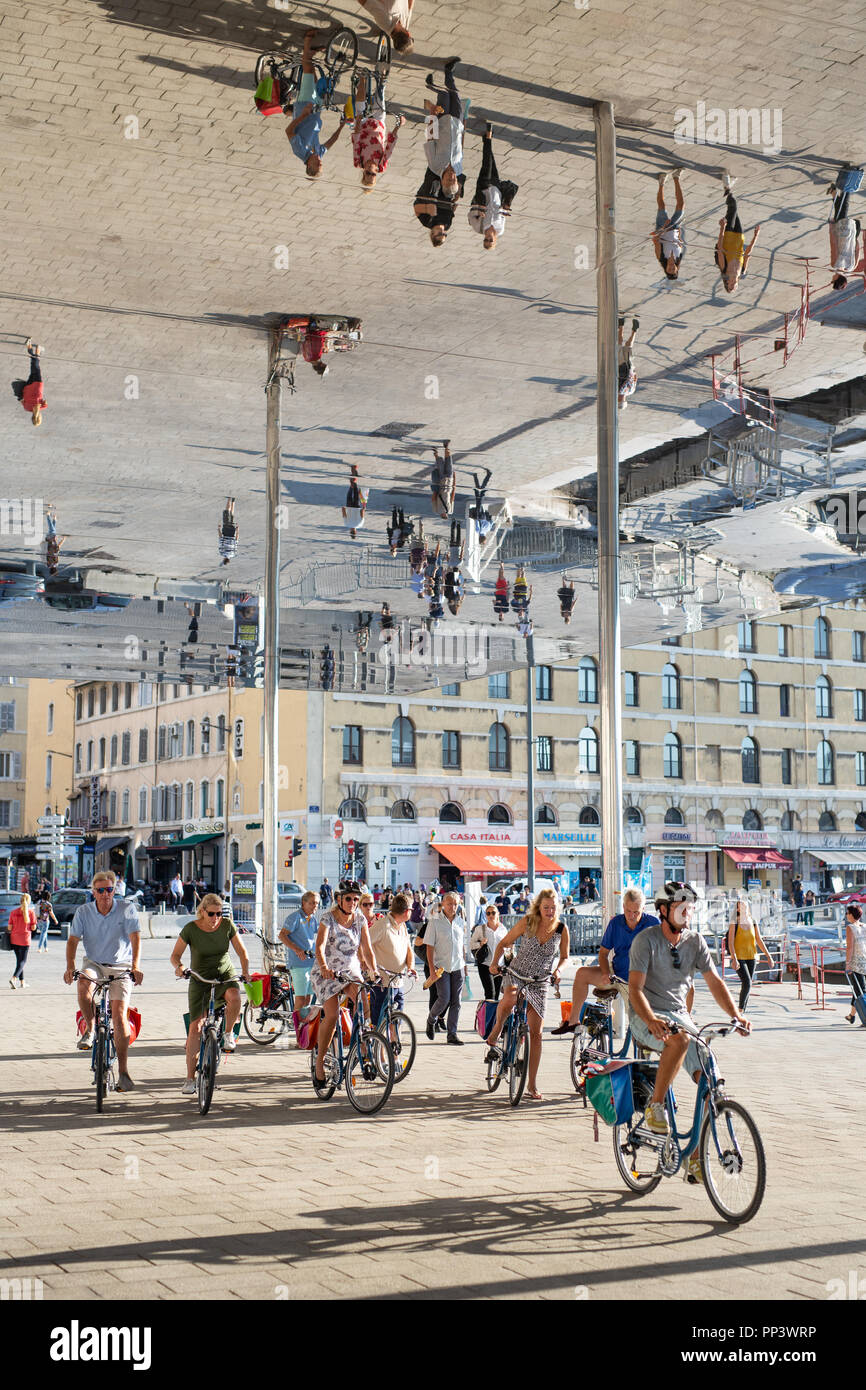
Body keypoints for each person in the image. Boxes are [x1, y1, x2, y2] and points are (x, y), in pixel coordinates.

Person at [628, 882, 750, 1180]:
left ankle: (694, 1157)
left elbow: (715, 982)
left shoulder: (695, 942)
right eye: (681, 906)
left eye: (690, 906)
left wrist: (736, 1014)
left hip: (680, 1017)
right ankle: (655, 1106)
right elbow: (634, 990)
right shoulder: (646, 941)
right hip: (647, 1016)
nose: (687, 911)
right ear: (663, 910)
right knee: (679, 1040)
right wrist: (652, 1021)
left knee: (712, 1080)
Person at [485, 889, 569, 1101]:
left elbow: (565, 957)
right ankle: (496, 1031)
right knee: (511, 998)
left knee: (537, 1034)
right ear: (539, 907)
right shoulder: (529, 922)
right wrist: (495, 963)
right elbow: (504, 943)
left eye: (553, 907)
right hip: (517, 973)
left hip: (540, 981)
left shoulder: (561, 929)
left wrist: (558, 971)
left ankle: (531, 1084)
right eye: (546, 907)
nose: (550, 911)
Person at [64, 871, 143, 1092]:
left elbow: (135, 938)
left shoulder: (126, 909)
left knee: (119, 1016)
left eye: (110, 889)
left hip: (121, 965)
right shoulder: (84, 912)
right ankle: (90, 1029)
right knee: (83, 983)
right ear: (93, 892)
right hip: (94, 962)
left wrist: (136, 967)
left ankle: (124, 1072)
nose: (106, 894)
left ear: (115, 890)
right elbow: (72, 941)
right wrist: (70, 967)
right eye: (101, 890)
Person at [170, 893, 250, 1095]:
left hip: (224, 974)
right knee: (195, 1028)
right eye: (211, 914)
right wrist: (179, 967)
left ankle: (228, 1033)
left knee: (235, 997)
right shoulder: (191, 929)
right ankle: (189, 1079)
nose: (215, 918)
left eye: (219, 913)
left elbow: (241, 952)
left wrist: (246, 972)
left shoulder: (226, 925)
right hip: (199, 977)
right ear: (202, 912)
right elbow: (175, 955)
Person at [551, 886, 657, 1034]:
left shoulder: (653, 924)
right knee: (582, 973)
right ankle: (573, 1021)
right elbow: (603, 954)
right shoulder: (616, 923)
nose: (632, 916)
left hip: (638, 981)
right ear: (624, 906)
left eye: (636, 912)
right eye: (628, 911)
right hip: (616, 975)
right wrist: (605, 972)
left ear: (643, 908)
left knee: (639, 1023)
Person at [311, 880, 378, 1089]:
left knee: (364, 1006)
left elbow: (366, 949)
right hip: (327, 973)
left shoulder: (359, 919)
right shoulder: (328, 918)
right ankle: (320, 1063)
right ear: (339, 899)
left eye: (356, 899)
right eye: (348, 898)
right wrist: (323, 966)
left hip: (350, 970)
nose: (353, 902)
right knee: (331, 1015)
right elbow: (319, 946)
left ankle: (364, 1049)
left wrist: (373, 970)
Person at [285, 30, 349, 178]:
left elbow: (289, 131)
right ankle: (310, 53)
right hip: (316, 109)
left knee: (308, 71)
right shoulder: (318, 153)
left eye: (317, 165)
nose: (320, 162)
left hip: (305, 107)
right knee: (314, 79)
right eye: (321, 165)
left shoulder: (300, 151)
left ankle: (307, 39)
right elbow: (332, 141)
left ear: (309, 165)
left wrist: (303, 115)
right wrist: (342, 125)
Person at [367, 892, 415, 1028]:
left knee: (396, 1020)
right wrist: (370, 967)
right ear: (406, 911)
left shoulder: (403, 926)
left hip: (398, 981)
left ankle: (393, 1046)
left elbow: (408, 950)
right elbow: (364, 945)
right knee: (379, 1023)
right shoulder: (382, 925)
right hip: (382, 983)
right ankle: (379, 1047)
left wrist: (410, 968)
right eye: (411, 909)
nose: (412, 911)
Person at [424, 890, 467, 1043]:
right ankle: (431, 1019)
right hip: (441, 967)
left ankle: (452, 1034)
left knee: (457, 1002)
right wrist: (431, 969)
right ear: (442, 904)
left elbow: (462, 944)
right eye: (449, 904)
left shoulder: (461, 921)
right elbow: (429, 946)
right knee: (444, 998)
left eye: (455, 904)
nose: (452, 907)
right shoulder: (435, 921)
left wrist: (465, 965)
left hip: (458, 966)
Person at [352, 69, 405, 191]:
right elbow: (389, 147)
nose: (371, 171)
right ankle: (381, 81)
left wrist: (359, 120)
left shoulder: (358, 162)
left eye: (368, 174)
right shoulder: (381, 165)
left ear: (363, 172)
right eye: (373, 174)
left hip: (364, 125)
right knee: (380, 96)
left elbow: (356, 140)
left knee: (359, 108)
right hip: (378, 125)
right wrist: (398, 125)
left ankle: (362, 78)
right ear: (376, 173)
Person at [468, 124, 518, 250]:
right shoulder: (500, 229)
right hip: (497, 190)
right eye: (490, 240)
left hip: (483, 189)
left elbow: (470, 215)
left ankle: (489, 137)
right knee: (491, 163)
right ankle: (486, 139)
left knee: (487, 164)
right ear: (495, 240)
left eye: (486, 240)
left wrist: (478, 211)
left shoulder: (478, 227)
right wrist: (505, 209)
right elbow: (502, 215)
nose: (488, 237)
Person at [714, 172, 760, 293]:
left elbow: (719, 248)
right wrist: (756, 236)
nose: (733, 284)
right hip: (739, 236)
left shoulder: (724, 269)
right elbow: (748, 252)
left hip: (728, 234)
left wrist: (722, 228)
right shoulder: (743, 270)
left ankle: (727, 186)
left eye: (730, 286)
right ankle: (729, 187)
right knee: (733, 210)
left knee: (733, 208)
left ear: (727, 282)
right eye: (735, 286)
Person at [726, 895, 773, 1012]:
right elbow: (730, 942)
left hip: (752, 956)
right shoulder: (734, 922)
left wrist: (768, 956)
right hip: (739, 957)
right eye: (741, 905)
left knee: (748, 984)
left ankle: (742, 1011)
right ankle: (740, 1010)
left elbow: (759, 939)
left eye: (745, 905)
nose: (743, 907)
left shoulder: (753, 921)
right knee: (747, 982)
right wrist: (734, 958)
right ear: (737, 909)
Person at [278, 889, 320, 1015]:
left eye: (317, 903)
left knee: (308, 998)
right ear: (303, 903)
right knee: (300, 998)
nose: (315, 906)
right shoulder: (295, 917)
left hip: (310, 963)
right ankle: (298, 1028)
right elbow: (282, 935)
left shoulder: (312, 919)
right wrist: (297, 949)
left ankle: (304, 1027)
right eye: (312, 903)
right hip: (298, 963)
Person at [827, 172, 863, 289]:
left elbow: (857, 248)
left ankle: (834, 192)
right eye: (833, 281)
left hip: (851, 234)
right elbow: (833, 245)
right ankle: (848, 181)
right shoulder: (835, 264)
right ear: (837, 279)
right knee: (843, 208)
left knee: (841, 211)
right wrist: (831, 228)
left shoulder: (852, 266)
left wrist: (853, 239)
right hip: (840, 233)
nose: (831, 279)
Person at [651, 168, 686, 279]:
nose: (671, 268)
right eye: (673, 270)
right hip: (675, 227)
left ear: (666, 269)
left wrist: (664, 227)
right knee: (681, 205)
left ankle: (661, 183)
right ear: (677, 268)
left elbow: (655, 240)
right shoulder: (678, 257)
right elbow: (679, 240)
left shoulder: (661, 257)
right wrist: (679, 232)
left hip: (663, 228)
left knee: (662, 206)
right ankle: (676, 177)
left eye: (669, 270)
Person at [471, 903, 506, 1000]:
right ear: (486, 915)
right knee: (490, 993)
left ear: (498, 914)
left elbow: (507, 945)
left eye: (493, 913)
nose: (491, 915)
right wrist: (480, 944)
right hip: (485, 965)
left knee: (497, 995)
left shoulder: (503, 929)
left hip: (499, 966)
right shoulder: (480, 929)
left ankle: (494, 1015)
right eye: (488, 913)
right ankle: (487, 1015)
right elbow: (471, 944)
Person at [13, 339, 47, 426]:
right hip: (27, 386)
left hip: (37, 385)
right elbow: (21, 399)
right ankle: (37, 350)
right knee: (33, 368)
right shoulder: (26, 408)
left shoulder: (42, 407)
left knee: (35, 367)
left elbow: (44, 401)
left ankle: (31, 349)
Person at [8, 893, 36, 988]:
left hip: (14, 939)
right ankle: (14, 978)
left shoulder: (13, 912)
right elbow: (33, 927)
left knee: (19, 961)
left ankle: (22, 982)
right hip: (25, 939)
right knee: (23, 961)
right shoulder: (31, 912)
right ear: (28, 901)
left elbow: (9, 927)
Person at [844, 905, 866, 1025]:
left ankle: (864, 1017)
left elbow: (850, 948)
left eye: (847, 913)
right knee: (859, 990)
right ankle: (851, 1015)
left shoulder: (850, 928)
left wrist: (848, 964)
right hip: (865, 960)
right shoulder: (864, 926)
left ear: (852, 915)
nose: (846, 915)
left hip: (856, 963)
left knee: (860, 991)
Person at [617, 317, 639, 410]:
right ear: (619, 400)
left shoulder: (631, 391)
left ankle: (634, 331)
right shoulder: (617, 390)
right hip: (619, 365)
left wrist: (633, 370)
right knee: (619, 344)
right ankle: (621, 324)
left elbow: (635, 378)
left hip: (629, 367)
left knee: (628, 345)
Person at [343, 464, 369, 538]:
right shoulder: (347, 524)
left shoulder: (359, 525)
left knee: (356, 492)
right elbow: (344, 515)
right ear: (350, 532)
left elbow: (362, 513)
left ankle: (353, 479)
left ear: (355, 532)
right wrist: (343, 509)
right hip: (349, 507)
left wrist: (363, 508)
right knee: (349, 494)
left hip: (357, 507)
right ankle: (352, 481)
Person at [431, 440, 456, 518]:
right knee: (444, 463)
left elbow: (452, 496)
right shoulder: (442, 511)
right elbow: (433, 498)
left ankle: (438, 452)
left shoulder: (438, 511)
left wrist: (454, 483)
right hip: (443, 484)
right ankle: (444, 447)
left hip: (447, 483)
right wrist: (435, 487)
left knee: (445, 463)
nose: (445, 514)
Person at [218, 497, 238, 565]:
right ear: (223, 559)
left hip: (232, 532)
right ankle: (229, 499)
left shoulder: (233, 553)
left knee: (231, 516)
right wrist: (218, 529)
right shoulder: (222, 552)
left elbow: (236, 540)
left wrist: (237, 530)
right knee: (227, 512)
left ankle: (233, 502)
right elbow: (221, 539)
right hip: (226, 531)